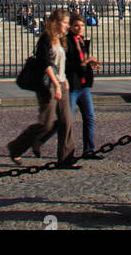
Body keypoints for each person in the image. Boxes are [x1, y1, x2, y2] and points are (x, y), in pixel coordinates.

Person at [8, 13, 81, 168]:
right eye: (65, 23)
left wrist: (64, 81)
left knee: (66, 121)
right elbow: (45, 63)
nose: (68, 26)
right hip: (48, 86)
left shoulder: (62, 40)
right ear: (56, 22)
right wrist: (55, 84)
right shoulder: (45, 39)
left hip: (61, 84)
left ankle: (66, 158)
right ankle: (16, 147)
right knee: (46, 124)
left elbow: (60, 64)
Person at [65, 13, 99, 157]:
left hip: (84, 86)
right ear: (70, 27)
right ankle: (41, 140)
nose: (79, 28)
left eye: (82, 25)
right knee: (67, 120)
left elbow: (82, 62)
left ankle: (89, 149)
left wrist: (90, 64)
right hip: (72, 86)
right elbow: (67, 65)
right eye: (76, 26)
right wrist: (84, 62)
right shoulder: (66, 42)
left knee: (90, 117)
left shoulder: (82, 42)